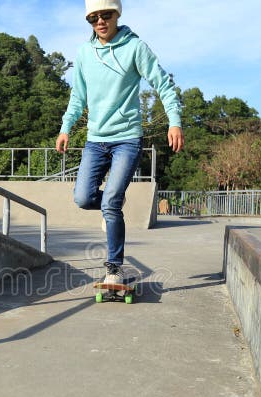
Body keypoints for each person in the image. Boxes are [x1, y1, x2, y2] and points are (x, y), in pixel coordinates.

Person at [56, 0, 184, 285]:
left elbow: (162, 83)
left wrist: (174, 121)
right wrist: (65, 128)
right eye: (93, 18)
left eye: (106, 15)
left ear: (117, 15)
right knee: (83, 198)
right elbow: (78, 97)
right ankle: (111, 204)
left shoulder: (135, 48)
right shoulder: (84, 53)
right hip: (95, 140)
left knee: (111, 203)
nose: (100, 21)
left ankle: (114, 268)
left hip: (126, 138)